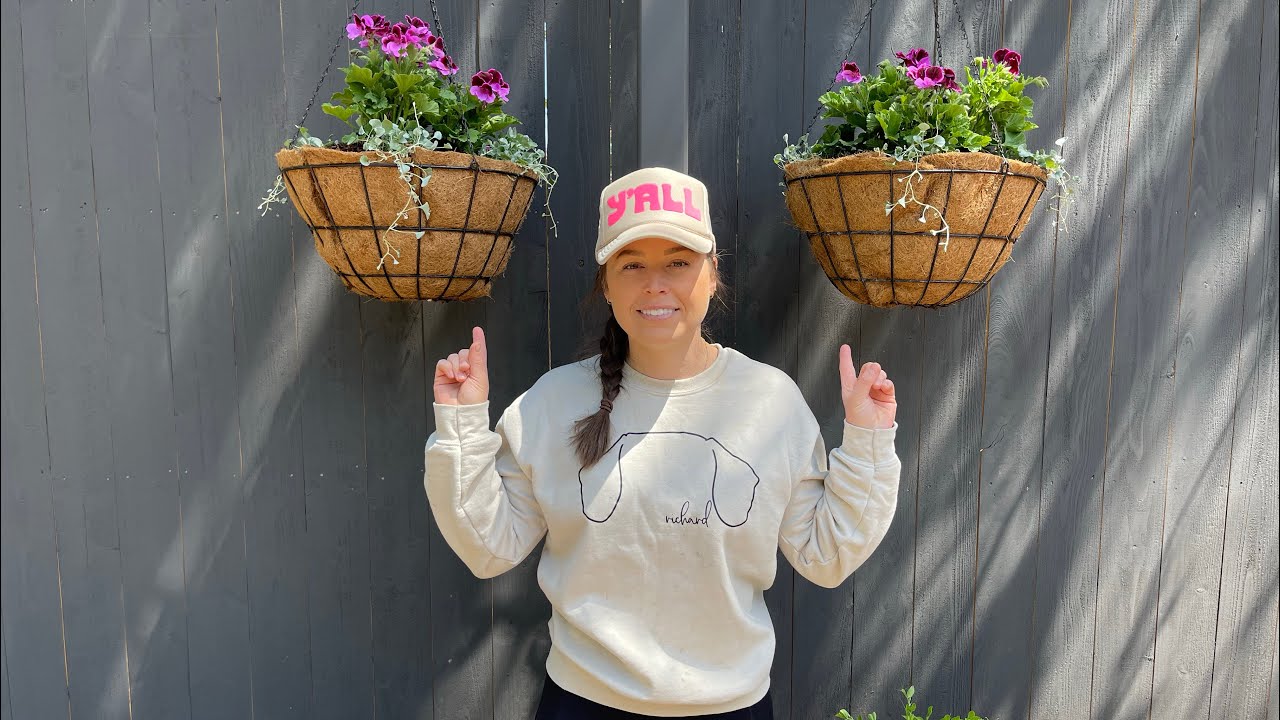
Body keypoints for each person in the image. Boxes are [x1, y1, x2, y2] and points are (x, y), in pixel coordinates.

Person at [425, 167, 901, 719]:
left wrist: (868, 437)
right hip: (584, 703)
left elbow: (827, 554)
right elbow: (489, 548)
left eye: (678, 261)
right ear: (606, 282)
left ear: (712, 274)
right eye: (632, 264)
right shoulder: (552, 404)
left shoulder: (771, 403)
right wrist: (460, 426)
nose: (656, 283)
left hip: (731, 705)